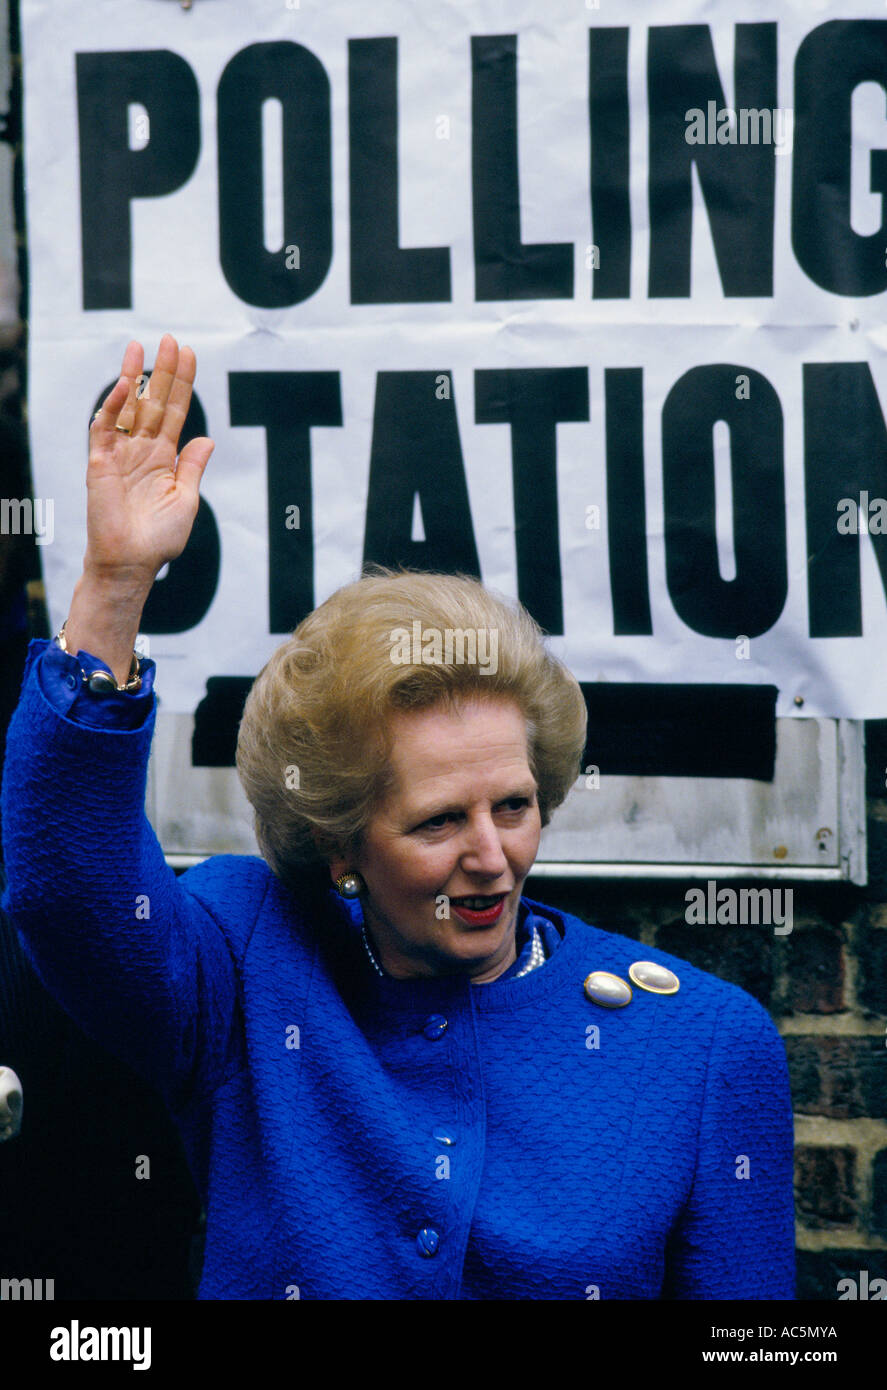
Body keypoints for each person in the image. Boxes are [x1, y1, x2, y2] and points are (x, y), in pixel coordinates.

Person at [0, 335, 796, 1300]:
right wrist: (115, 589)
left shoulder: (703, 1043)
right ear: (340, 844)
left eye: (513, 807)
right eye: (435, 824)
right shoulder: (251, 961)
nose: (492, 858)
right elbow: (66, 895)